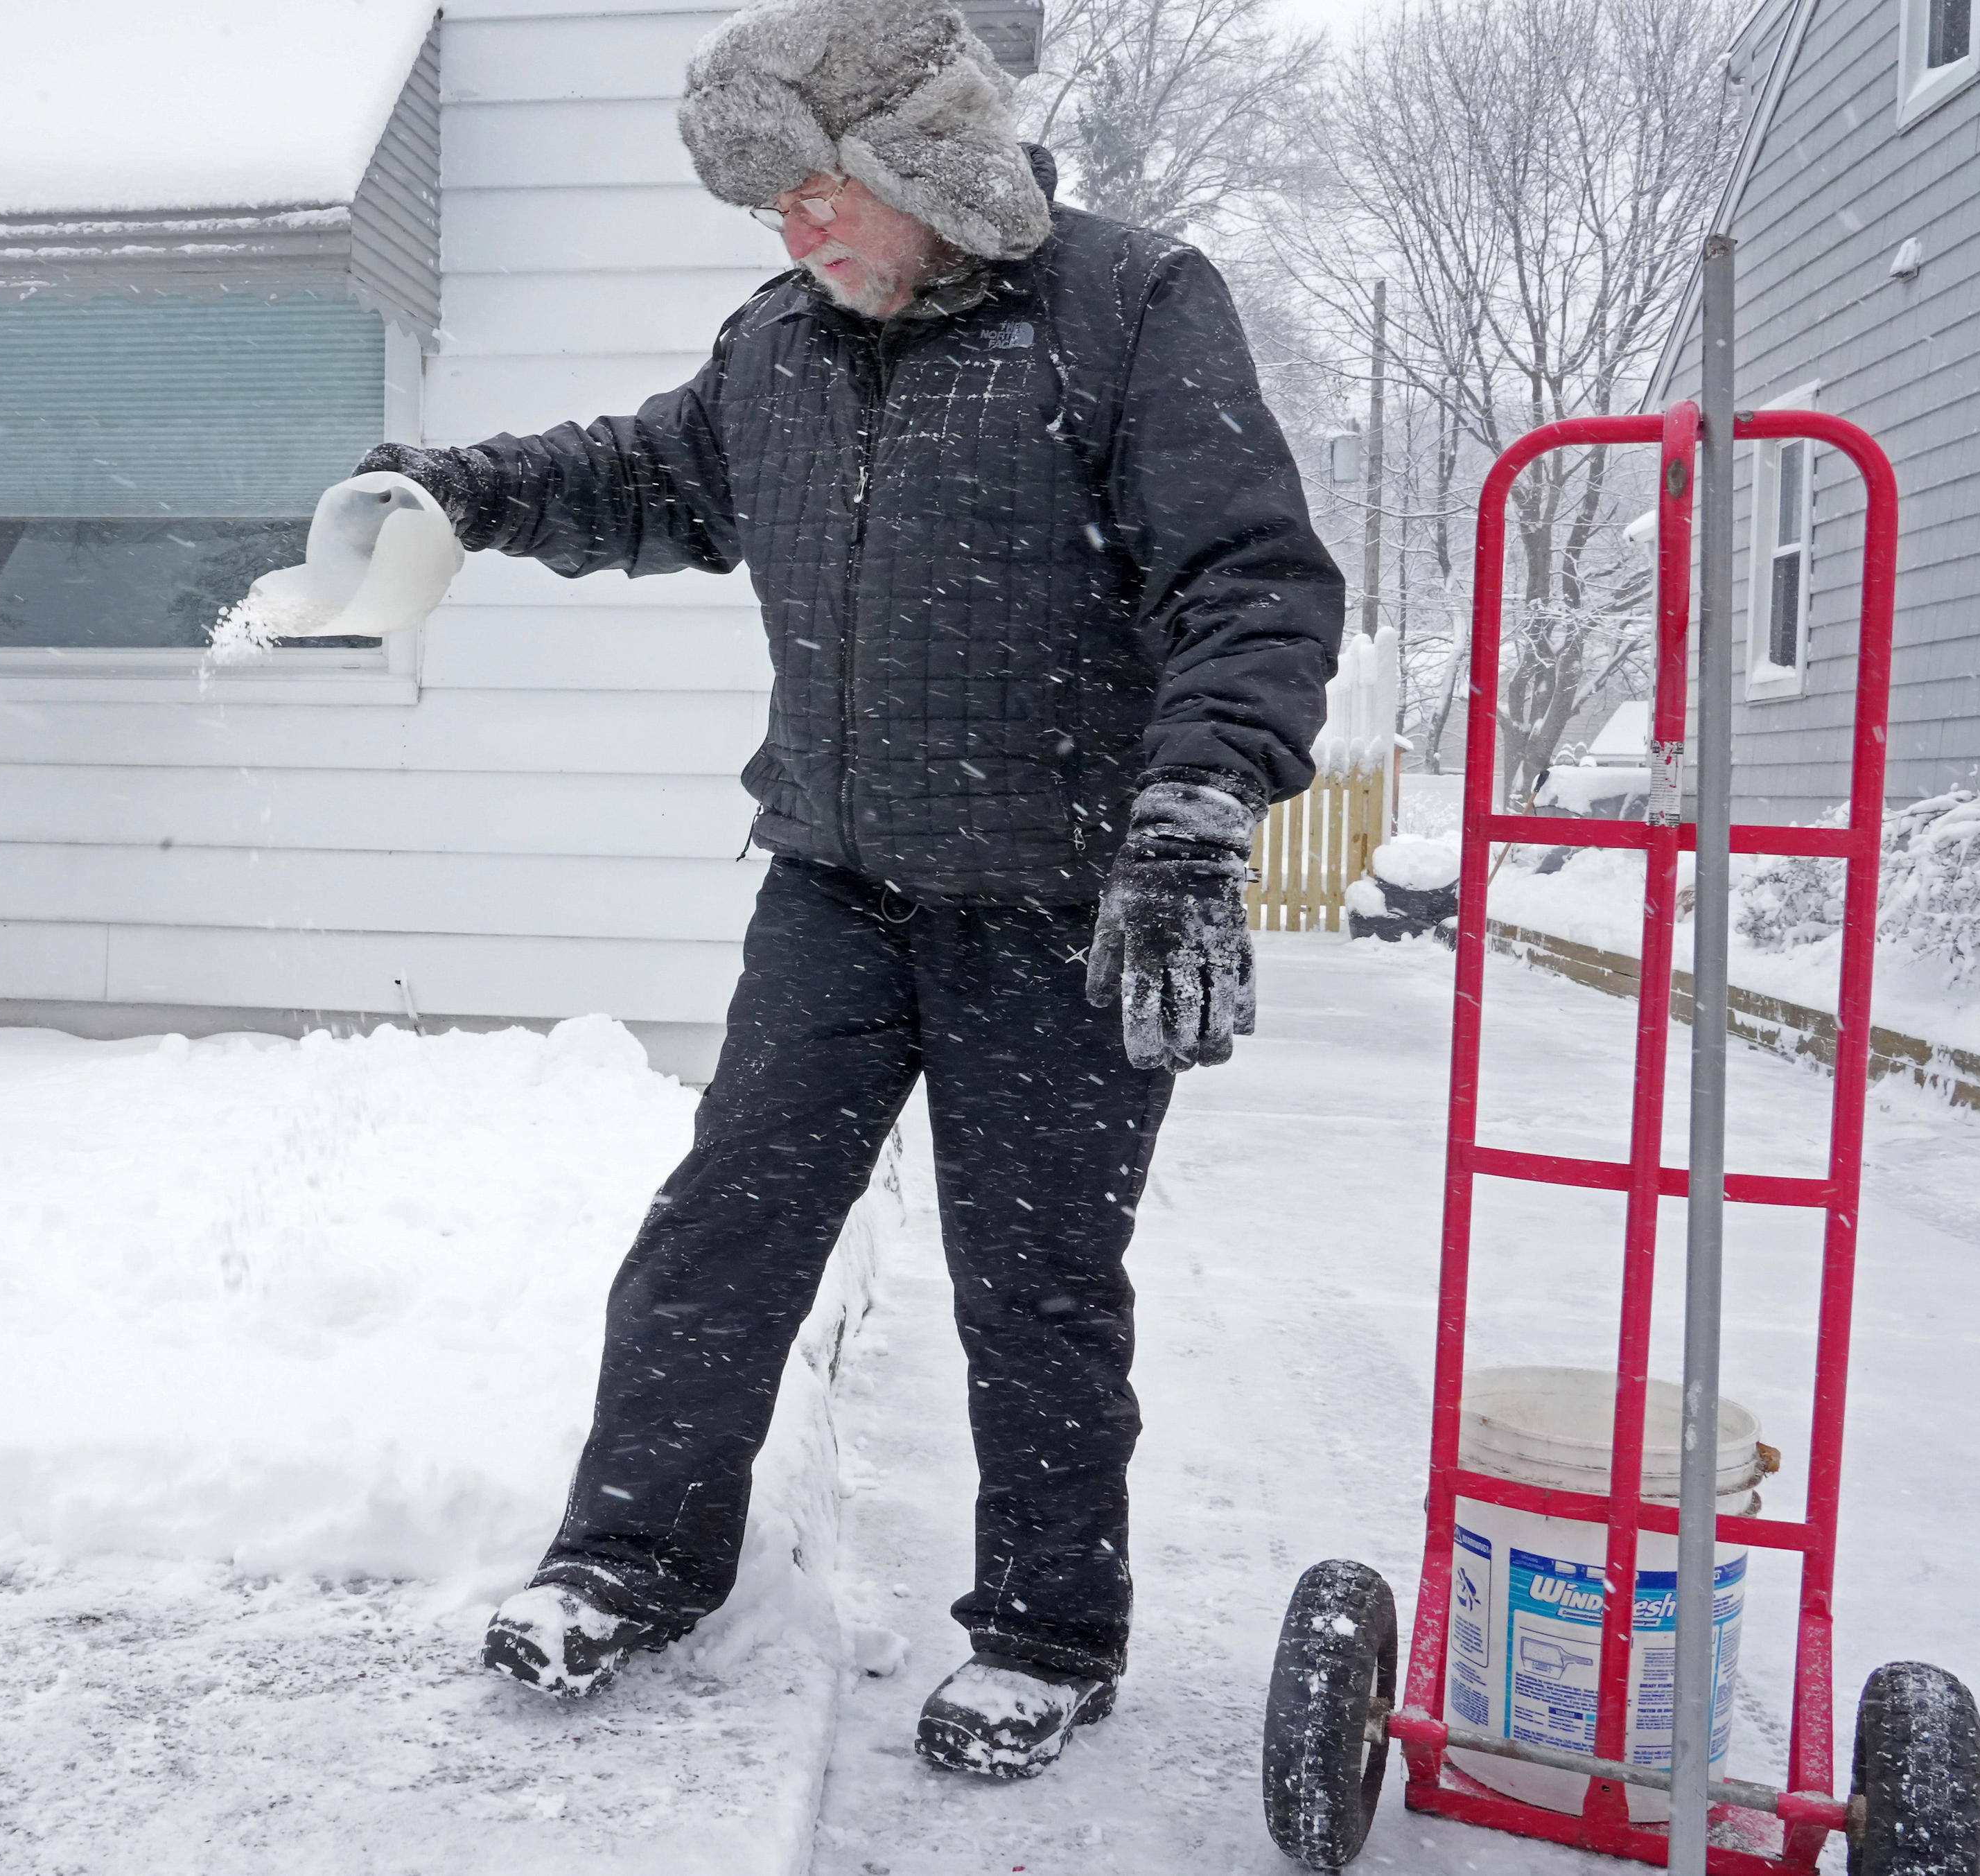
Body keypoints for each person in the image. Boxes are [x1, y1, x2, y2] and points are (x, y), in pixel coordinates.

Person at [353, 0, 1343, 1779]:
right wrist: (464, 487)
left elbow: (1251, 582)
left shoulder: (1124, 309)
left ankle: (1048, 1630)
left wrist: (1194, 811)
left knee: (1032, 1279)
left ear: (927, 162)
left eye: (816, 191)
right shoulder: (782, 345)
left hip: (1057, 902)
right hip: (836, 884)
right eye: (771, 206)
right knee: (723, 1226)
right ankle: (634, 1556)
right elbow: (650, 474)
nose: (792, 233)